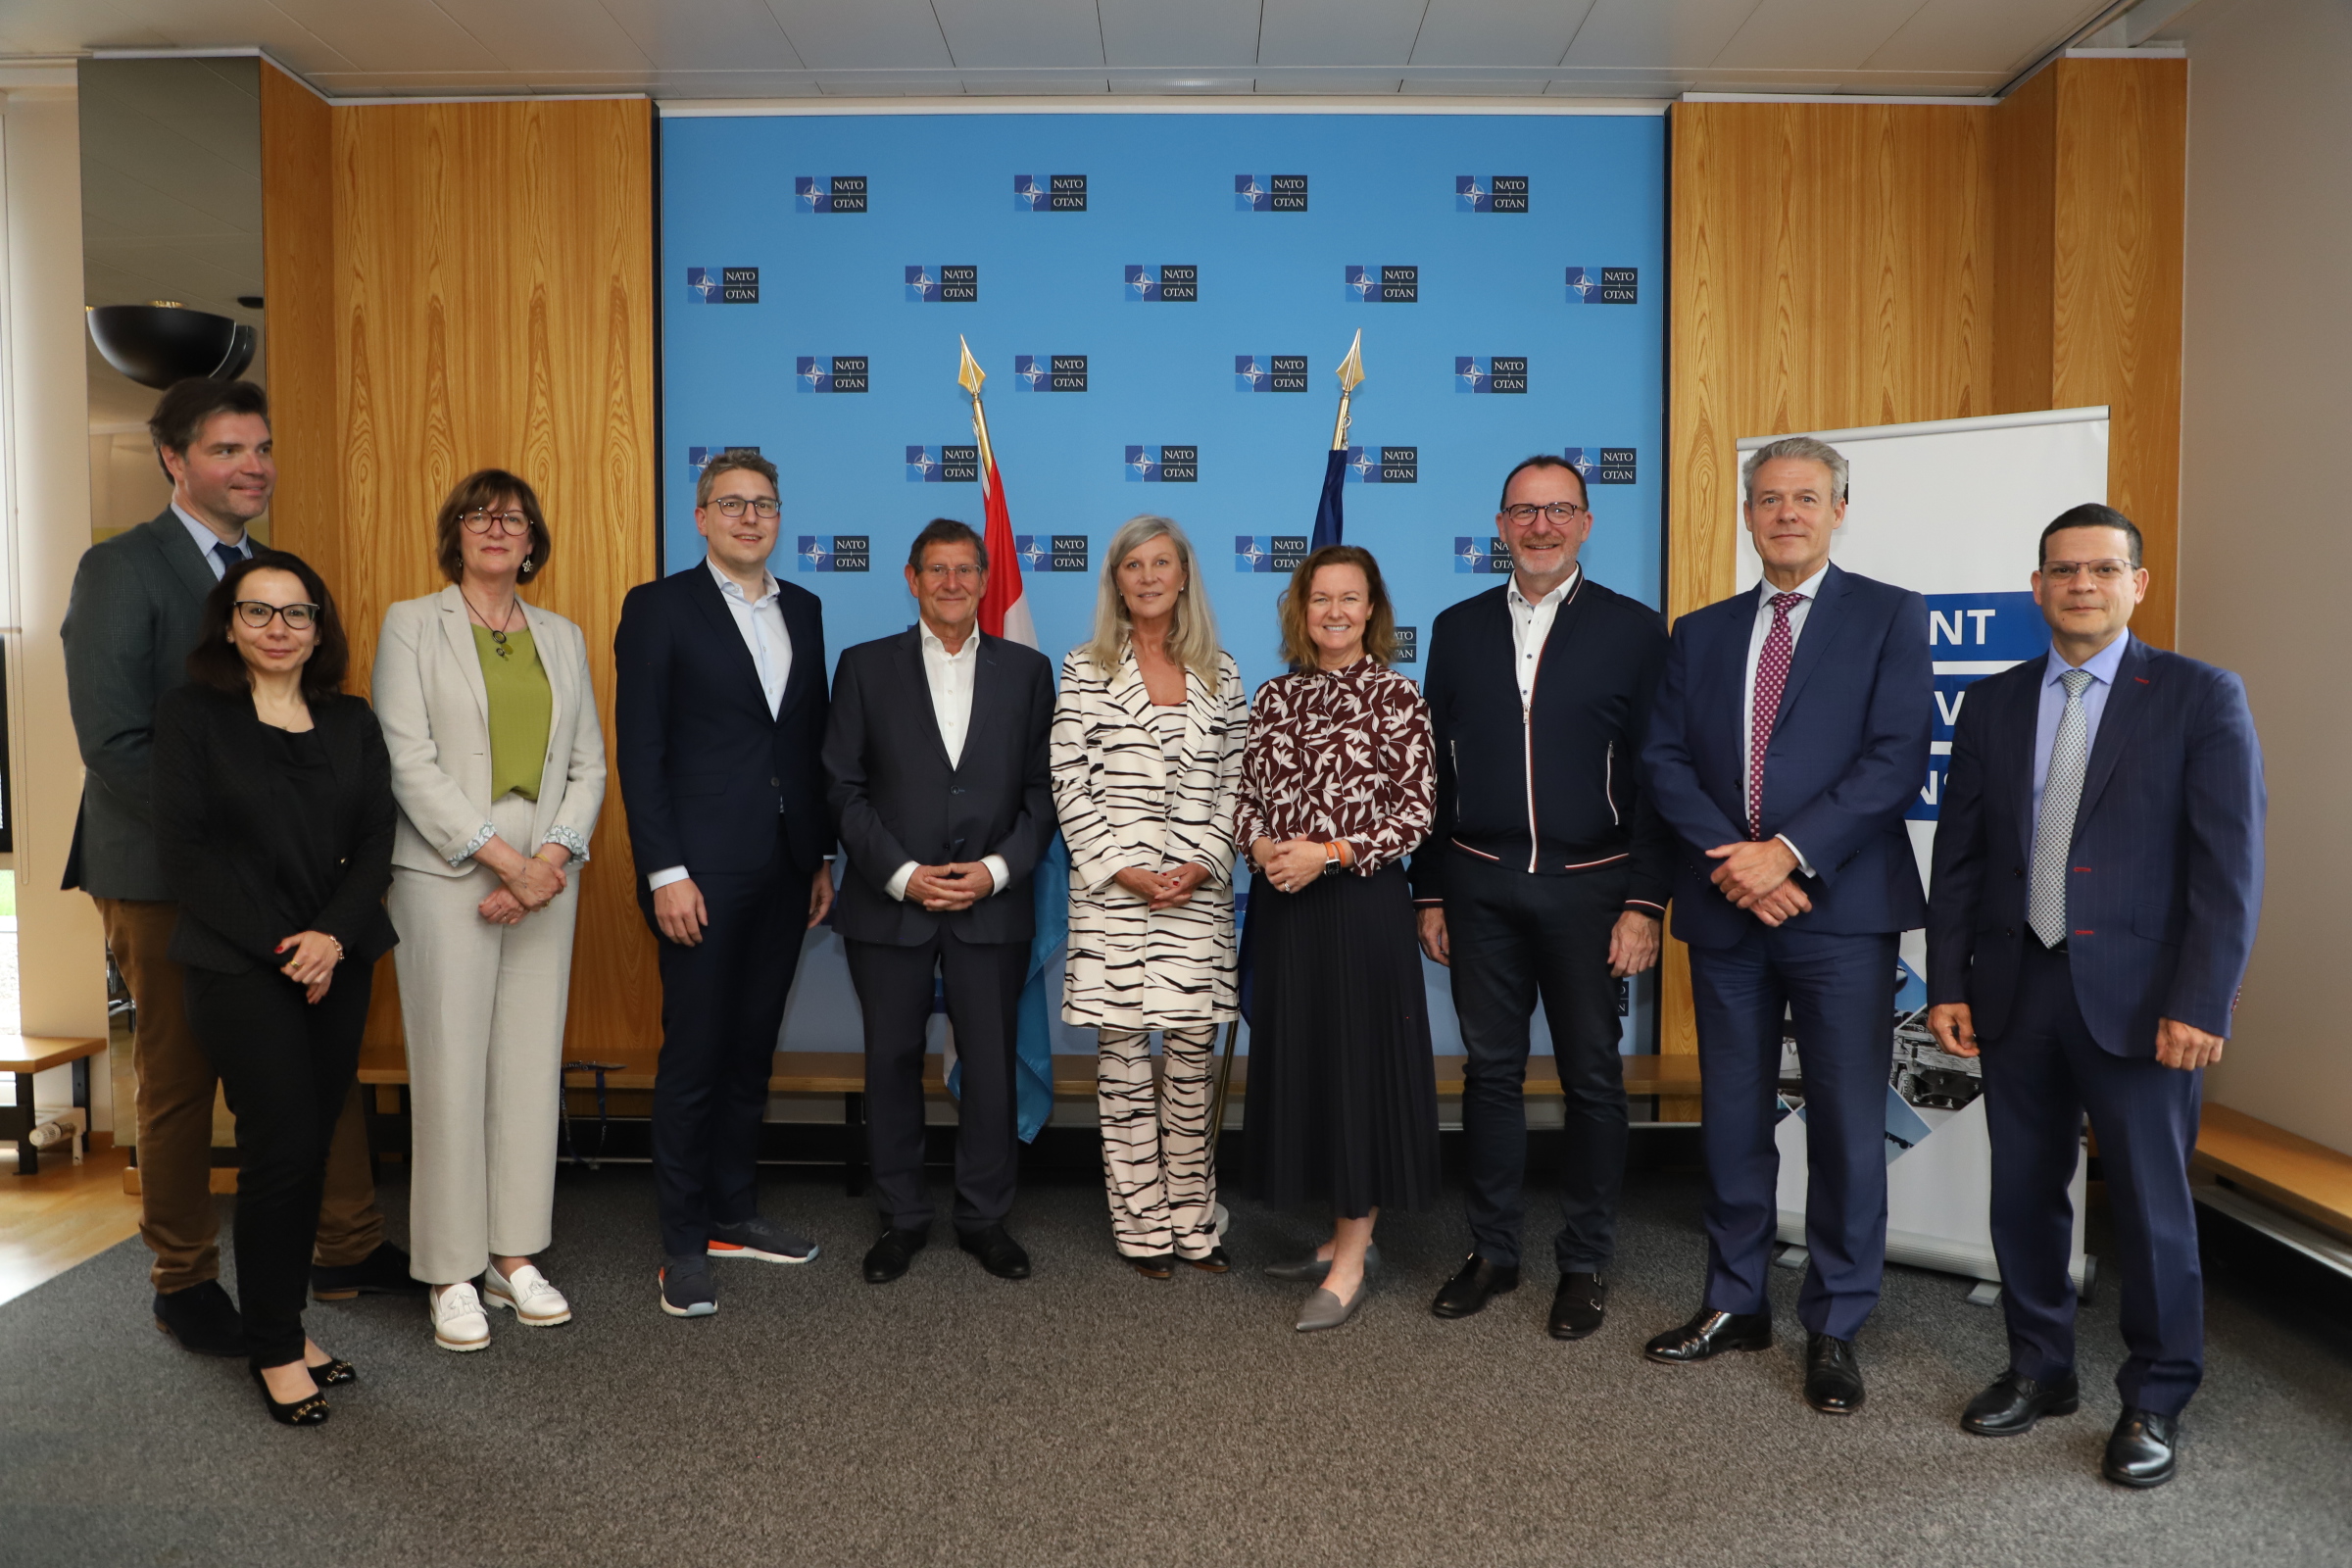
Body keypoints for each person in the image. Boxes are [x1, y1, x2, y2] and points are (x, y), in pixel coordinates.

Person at [60, 377, 414, 1360]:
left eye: (261, 448)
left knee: (319, 1071)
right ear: (175, 459)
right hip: (162, 871)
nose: (252, 465)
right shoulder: (121, 570)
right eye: (227, 450)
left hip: (298, 881)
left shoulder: (274, 574)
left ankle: (343, 1244)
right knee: (181, 1079)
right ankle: (184, 1276)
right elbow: (115, 740)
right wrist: (223, 851)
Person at [1928, 505, 2264, 1490]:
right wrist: (1949, 979)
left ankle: (2156, 1394)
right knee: (2024, 1193)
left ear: (2137, 585)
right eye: (2062, 570)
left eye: (2102, 569)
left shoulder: (2201, 697)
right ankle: (2039, 1366)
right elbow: (1962, 858)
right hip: (2015, 985)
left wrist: (2201, 1001)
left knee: (2154, 1207)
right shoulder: (1990, 703)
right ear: (2036, 587)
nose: (2081, 584)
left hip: (2144, 1002)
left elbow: (2227, 868)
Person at [1639, 435, 1931, 1414]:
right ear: (1749, 514)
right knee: (1733, 1118)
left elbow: (1894, 760)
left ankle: (1837, 1323)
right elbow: (1665, 761)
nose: (1787, 513)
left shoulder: (1890, 616)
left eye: (1807, 497)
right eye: (1769, 498)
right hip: (1729, 913)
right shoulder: (1702, 630)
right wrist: (1739, 861)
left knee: (1849, 1125)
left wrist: (1790, 853)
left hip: (1840, 913)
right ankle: (1735, 1299)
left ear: (1840, 508)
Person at [1412, 455, 1672, 1338]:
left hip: (1595, 890)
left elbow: (1658, 778)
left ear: (1588, 524)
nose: (1542, 526)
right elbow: (1432, 779)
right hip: (1478, 884)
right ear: (1500, 524)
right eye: (1524, 511)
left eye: (1560, 510)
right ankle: (1493, 1251)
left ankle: (1586, 1262)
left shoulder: (1637, 632)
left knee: (1593, 1081)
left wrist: (1647, 903)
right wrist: (1429, 892)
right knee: (1491, 1075)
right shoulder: (1456, 627)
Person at [151, 553, 398, 1425]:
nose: (280, 629)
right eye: (260, 613)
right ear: (229, 623)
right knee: (280, 1149)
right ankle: (274, 1347)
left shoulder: (351, 720)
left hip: (341, 955)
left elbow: (376, 841)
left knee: (311, 1146)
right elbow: (184, 855)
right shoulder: (193, 718)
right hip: (239, 963)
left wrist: (331, 937)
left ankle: (282, 1325)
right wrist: (286, 945)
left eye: (298, 614)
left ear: (319, 628)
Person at [373, 470, 608, 1350]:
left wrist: (546, 863)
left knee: (525, 1068)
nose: (495, 528)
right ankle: (449, 1272)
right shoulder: (412, 624)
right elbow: (407, 760)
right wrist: (504, 861)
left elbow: (588, 766)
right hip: (446, 873)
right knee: (450, 1071)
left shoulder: (561, 635)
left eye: (512, 517)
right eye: (478, 515)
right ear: (455, 533)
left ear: (533, 538)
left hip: (548, 872)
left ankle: (514, 1259)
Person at [615, 450, 833, 1319]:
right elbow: (642, 750)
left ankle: (732, 1213)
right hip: (697, 876)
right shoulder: (659, 608)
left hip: (785, 870)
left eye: (764, 504)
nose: (749, 517)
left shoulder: (806, 611)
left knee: (750, 1052)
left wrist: (817, 857)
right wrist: (665, 870)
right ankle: (680, 1241)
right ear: (700, 517)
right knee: (695, 1058)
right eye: (731, 503)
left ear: (779, 518)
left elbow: (804, 748)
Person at [823, 517, 1056, 1286]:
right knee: (890, 1061)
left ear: (986, 582)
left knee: (989, 1065)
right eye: (937, 570)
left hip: (992, 902)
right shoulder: (862, 667)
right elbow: (842, 788)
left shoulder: (1027, 671)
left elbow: (1042, 793)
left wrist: (994, 870)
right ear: (911, 578)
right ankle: (901, 1217)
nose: (952, 583)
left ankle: (985, 1218)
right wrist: (901, 873)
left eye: (965, 570)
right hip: (890, 905)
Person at [1238, 544, 1441, 1333]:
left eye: (1349, 599)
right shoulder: (1273, 697)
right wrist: (1261, 850)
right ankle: (1336, 1235)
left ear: (1371, 609)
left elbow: (1416, 812)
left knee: (1358, 1075)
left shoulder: (1397, 697)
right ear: (1301, 607)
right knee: (1313, 1070)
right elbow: (1246, 801)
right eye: (1320, 598)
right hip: (1287, 910)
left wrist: (1326, 852)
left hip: (1360, 909)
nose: (1333, 612)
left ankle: (1354, 1261)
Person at [1050, 516, 1246, 1278]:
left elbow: (1237, 782)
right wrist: (1121, 868)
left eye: (1162, 562)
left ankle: (1195, 1223)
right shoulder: (1083, 667)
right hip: (1116, 904)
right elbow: (1070, 783)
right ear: (1116, 582)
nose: (1148, 575)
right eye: (1133, 565)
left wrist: (1202, 862)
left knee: (1192, 1072)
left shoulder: (1222, 672)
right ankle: (1140, 1228)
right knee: (1126, 1074)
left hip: (1195, 901)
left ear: (1185, 575)